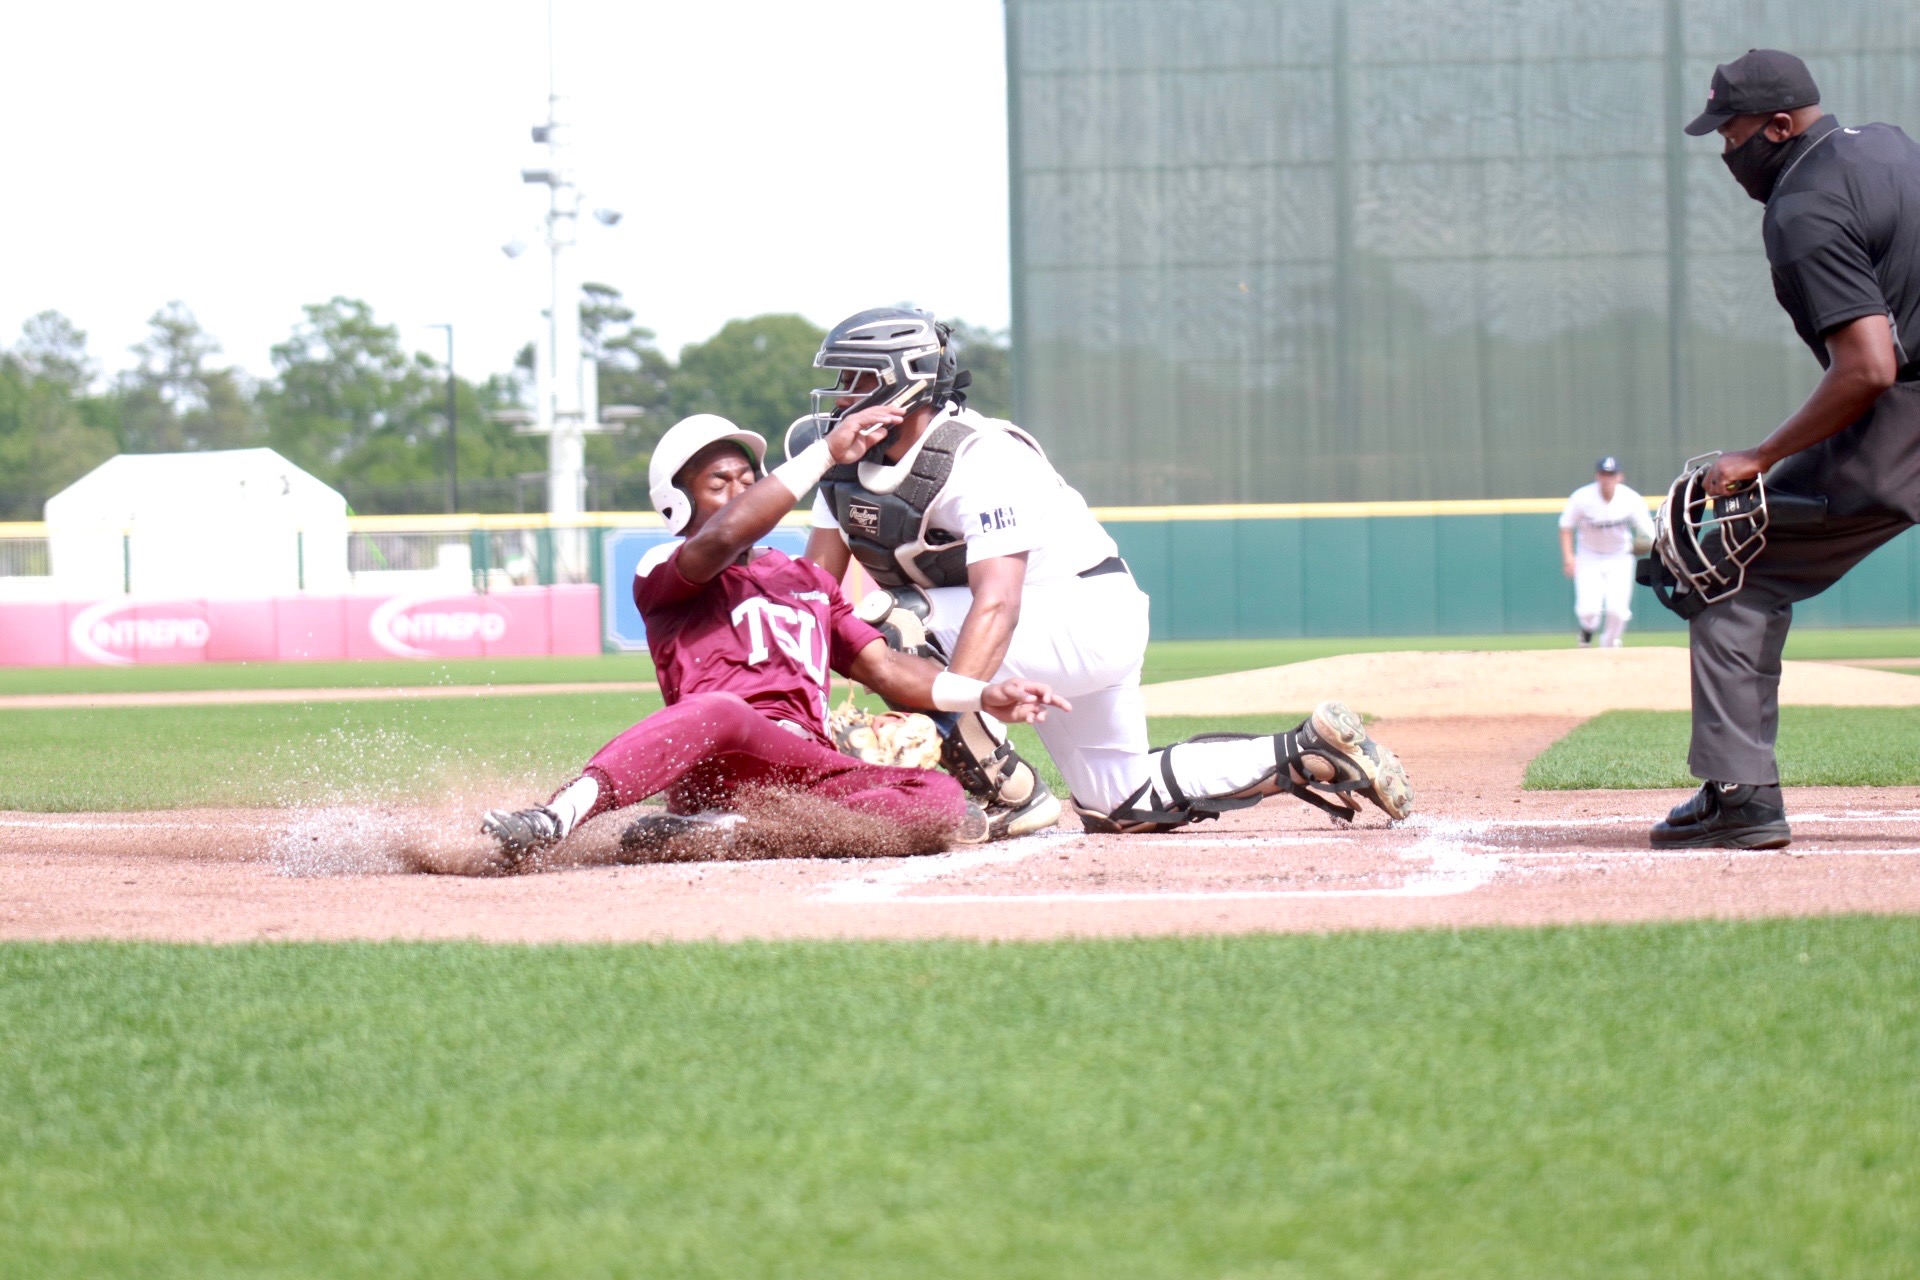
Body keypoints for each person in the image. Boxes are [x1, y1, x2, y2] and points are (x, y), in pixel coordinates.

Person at [790, 306, 1414, 834]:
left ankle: (1005, 793)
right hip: (1029, 630)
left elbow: (997, 604)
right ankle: (1308, 753)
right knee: (1119, 801)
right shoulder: (844, 459)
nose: (842, 394)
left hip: (1081, 616)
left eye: (855, 377)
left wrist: (940, 726)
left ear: (906, 384)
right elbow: (816, 599)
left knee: (893, 624)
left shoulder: (982, 458)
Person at [480, 411, 1067, 868]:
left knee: (938, 797)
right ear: (677, 504)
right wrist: (826, 452)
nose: (739, 491)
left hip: (798, 769)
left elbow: (885, 669)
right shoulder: (665, 566)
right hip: (718, 752)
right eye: (719, 483)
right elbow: (725, 536)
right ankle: (558, 816)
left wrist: (982, 695)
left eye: (747, 478)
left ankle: (730, 832)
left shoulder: (808, 580)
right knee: (723, 709)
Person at [1652, 49, 1920, 849]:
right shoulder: (1894, 147)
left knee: (1736, 569)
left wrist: (1760, 457)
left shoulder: (1801, 204)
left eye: (1731, 136)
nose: (1726, 154)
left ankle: (1742, 798)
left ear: (1778, 126)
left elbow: (1871, 365)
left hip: (1902, 422)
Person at [1559, 456, 1653, 648]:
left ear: (1620, 477)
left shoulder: (1630, 499)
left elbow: (1648, 530)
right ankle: (1587, 630)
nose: (1607, 478)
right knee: (1588, 609)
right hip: (1589, 556)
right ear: (1597, 476)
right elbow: (1565, 526)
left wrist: (1646, 540)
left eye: (1611, 474)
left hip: (1620, 557)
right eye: (1603, 474)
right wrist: (1569, 557)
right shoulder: (1582, 498)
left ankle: (1609, 646)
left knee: (1618, 610)